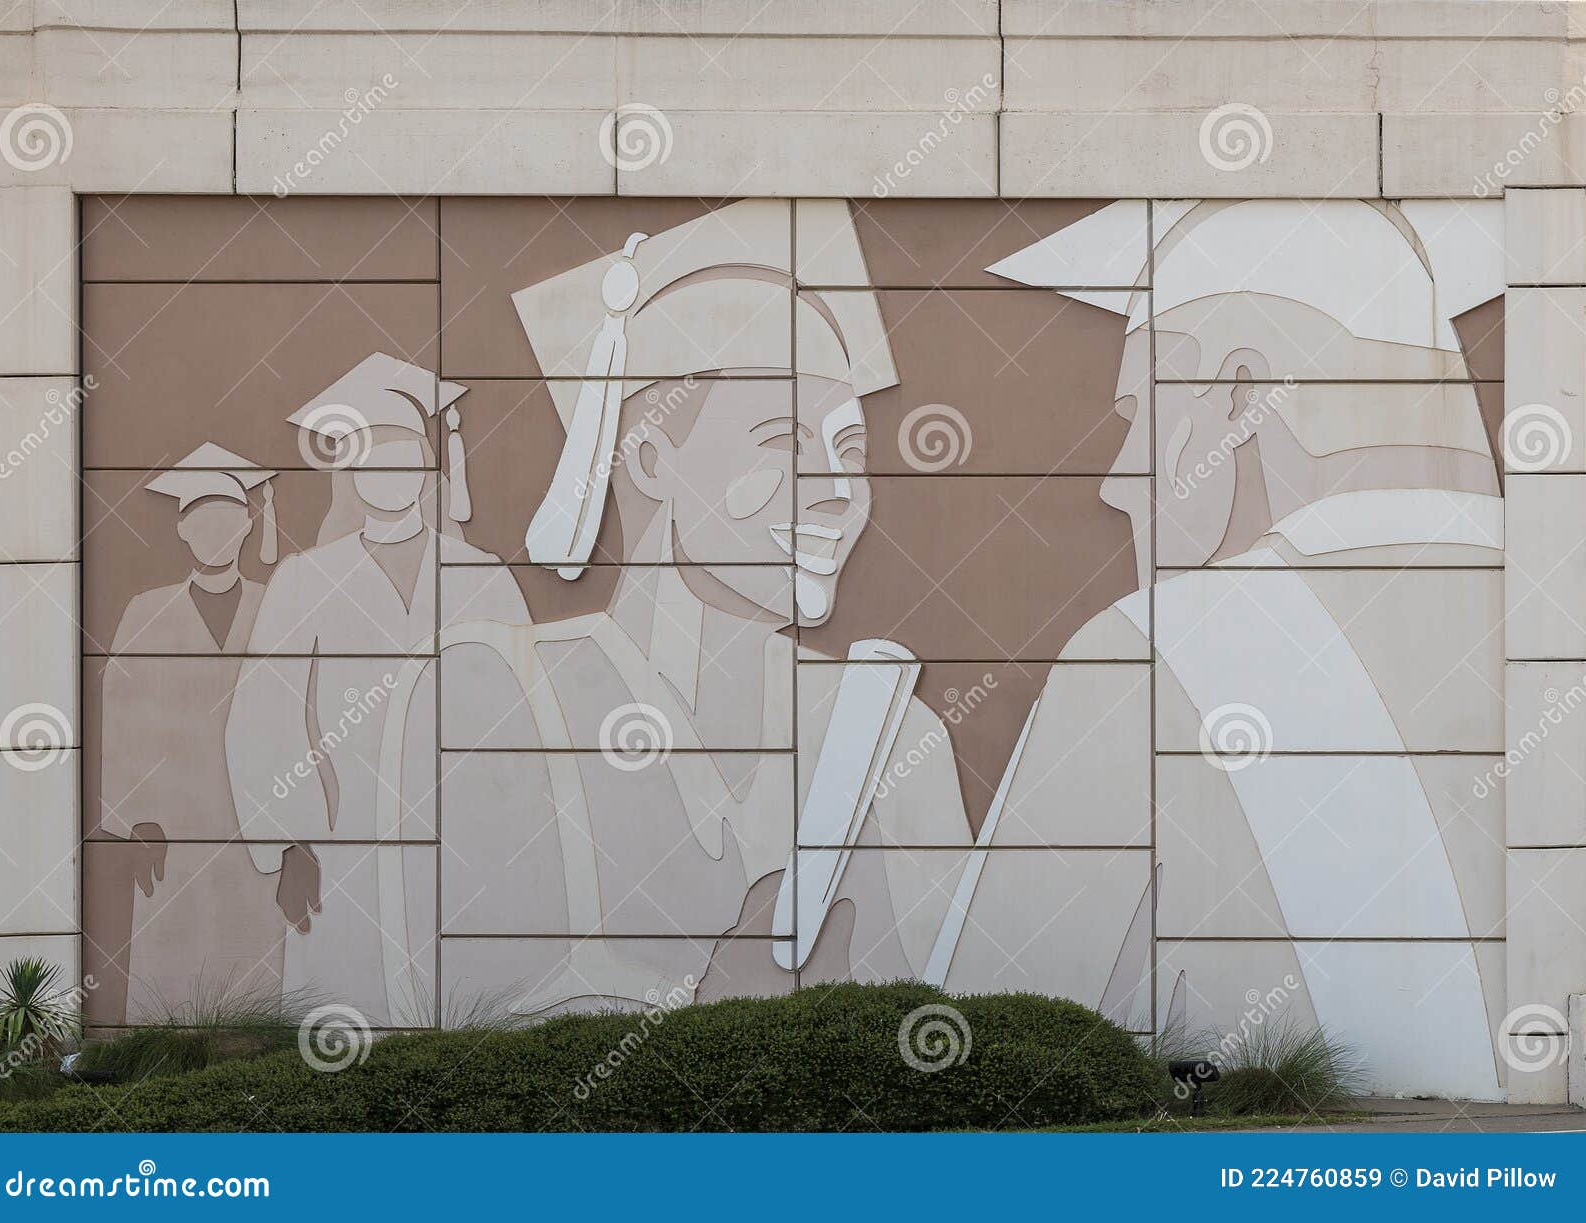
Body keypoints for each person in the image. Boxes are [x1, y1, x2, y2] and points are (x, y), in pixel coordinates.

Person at [434, 201, 1147, 1019]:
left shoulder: (889, 736)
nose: (839, 492)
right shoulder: (506, 693)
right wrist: (714, 1002)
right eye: (786, 440)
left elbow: (953, 1024)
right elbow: (453, 1033)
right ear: (654, 457)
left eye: (852, 453)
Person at [987, 199, 1508, 1098]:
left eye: (1139, 412)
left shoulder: (1141, 654)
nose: (1117, 484)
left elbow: (992, 1045)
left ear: (1238, 393)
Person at [224, 354, 530, 1026]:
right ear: (351, 473)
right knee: (346, 1021)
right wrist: (287, 843)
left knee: (475, 1017)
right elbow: (261, 712)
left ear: (429, 466)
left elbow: (528, 715)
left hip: (471, 833)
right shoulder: (304, 580)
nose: (390, 470)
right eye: (373, 454)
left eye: (406, 452)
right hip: (347, 842)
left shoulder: (484, 576)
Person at [93, 443, 284, 1021]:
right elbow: (120, 721)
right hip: (172, 831)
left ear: (250, 524)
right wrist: (134, 817)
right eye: (202, 518)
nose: (216, 531)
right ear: (182, 528)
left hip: (257, 823)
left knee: (257, 982)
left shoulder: (276, 607)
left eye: (228, 517)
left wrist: (296, 828)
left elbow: (301, 714)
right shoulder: (145, 612)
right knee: (173, 992)